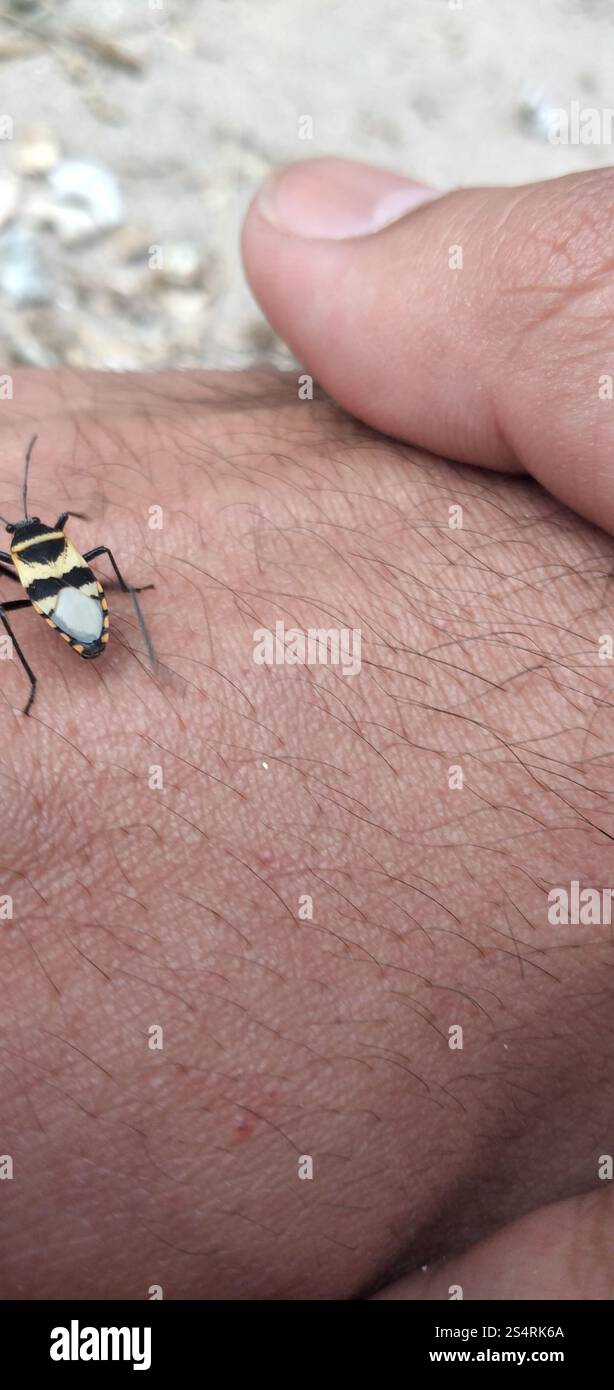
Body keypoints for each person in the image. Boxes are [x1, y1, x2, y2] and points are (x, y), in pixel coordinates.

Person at [1, 157, 613, 1301]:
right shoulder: (63, 555)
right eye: (38, 544)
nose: (40, 542)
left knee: (75, 620)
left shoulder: (42, 566)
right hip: (87, 612)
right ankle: (84, 641)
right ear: (46, 552)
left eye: (40, 542)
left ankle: (77, 647)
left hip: (79, 618)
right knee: (89, 608)